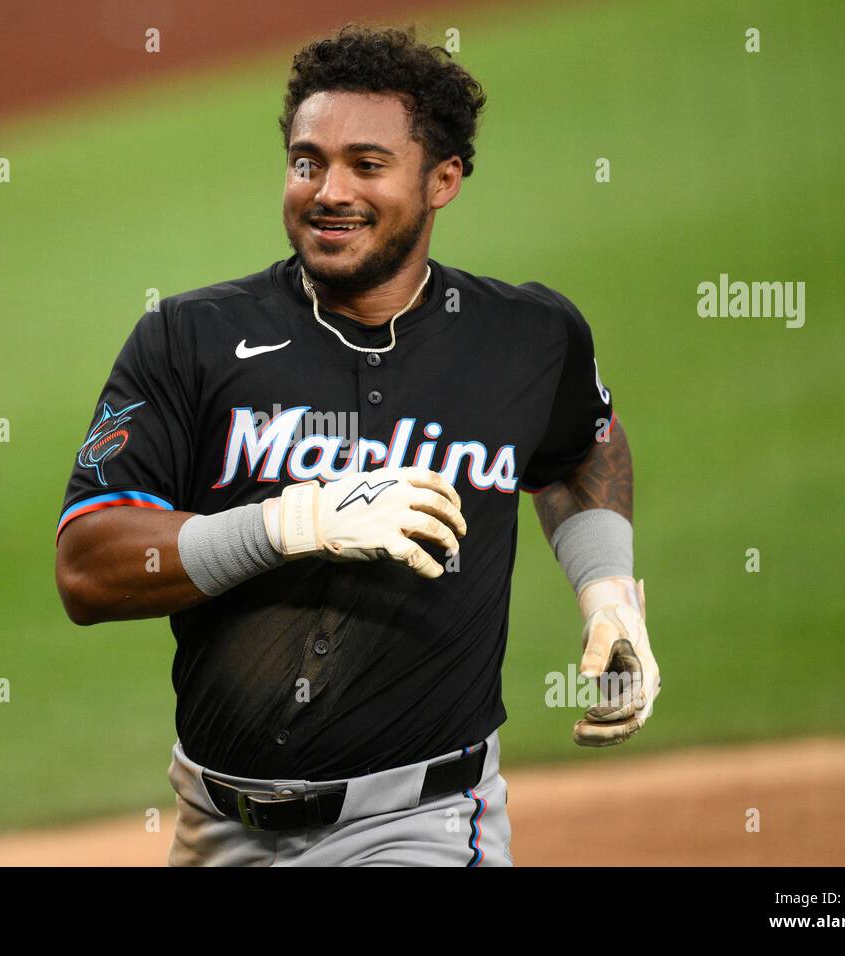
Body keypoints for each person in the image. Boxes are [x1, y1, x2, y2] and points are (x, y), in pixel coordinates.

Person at [54, 23, 661, 867]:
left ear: (443, 179)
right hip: (216, 827)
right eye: (308, 162)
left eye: (366, 166)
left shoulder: (526, 339)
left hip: (423, 826)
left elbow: (585, 445)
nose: (327, 191)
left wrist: (608, 593)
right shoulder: (187, 339)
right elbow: (87, 569)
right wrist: (288, 524)